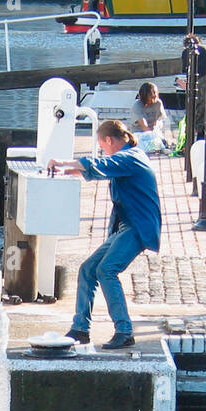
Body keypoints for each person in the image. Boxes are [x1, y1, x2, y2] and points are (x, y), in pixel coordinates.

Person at [49, 119, 162, 350]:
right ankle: (80, 328)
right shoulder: (131, 156)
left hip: (137, 227)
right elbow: (102, 170)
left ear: (109, 140)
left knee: (106, 270)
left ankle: (124, 330)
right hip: (127, 226)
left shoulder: (130, 156)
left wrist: (61, 161)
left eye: (102, 145)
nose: (103, 150)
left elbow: (103, 163)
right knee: (88, 269)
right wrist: (68, 170)